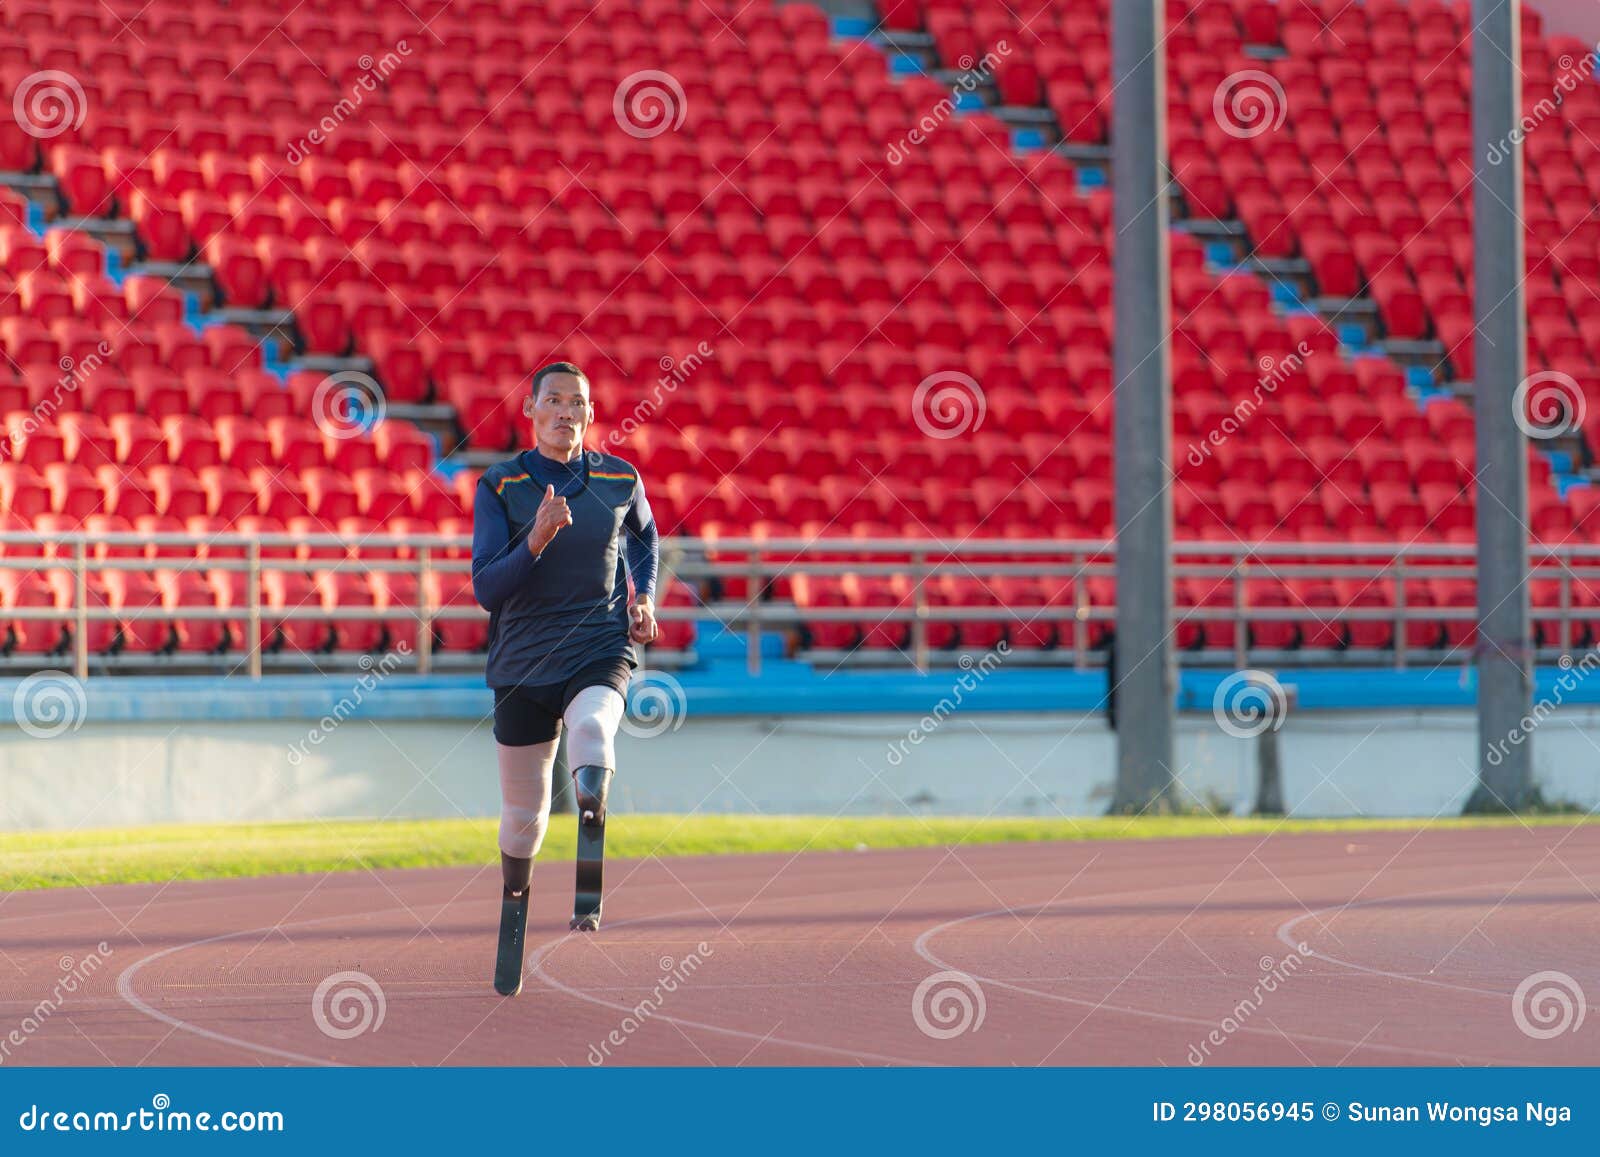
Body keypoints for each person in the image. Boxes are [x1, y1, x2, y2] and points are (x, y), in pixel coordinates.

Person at [470, 361, 659, 991]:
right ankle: (515, 900)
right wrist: (536, 539)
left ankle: (593, 812)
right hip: (522, 660)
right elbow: (485, 589)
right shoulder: (501, 485)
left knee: (596, 731)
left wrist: (645, 596)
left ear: (590, 413)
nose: (565, 413)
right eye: (552, 401)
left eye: (576, 403)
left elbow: (646, 536)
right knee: (523, 815)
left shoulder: (619, 476)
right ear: (530, 411)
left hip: (597, 646)